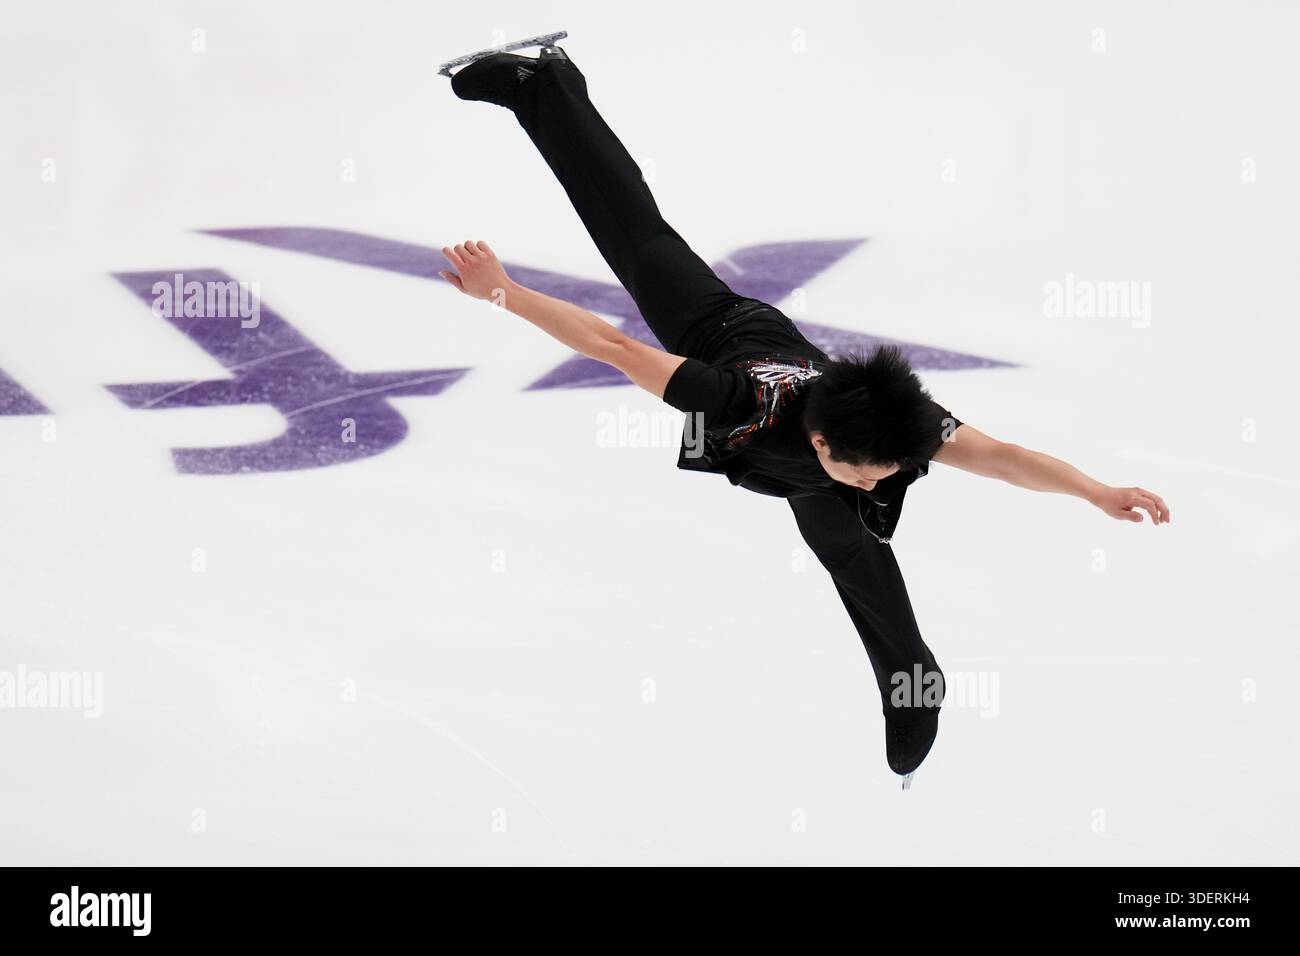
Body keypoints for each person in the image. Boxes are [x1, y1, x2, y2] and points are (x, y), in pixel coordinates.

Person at [438, 41, 1171, 785]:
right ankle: (542, 84)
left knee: (863, 568)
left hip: (797, 439)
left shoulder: (894, 420)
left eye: (887, 472)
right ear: (822, 441)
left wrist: (1097, 492)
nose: (876, 485)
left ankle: (915, 687)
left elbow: (1007, 459)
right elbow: (611, 344)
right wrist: (502, 288)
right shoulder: (731, 396)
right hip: (716, 327)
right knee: (634, 231)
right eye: (865, 473)